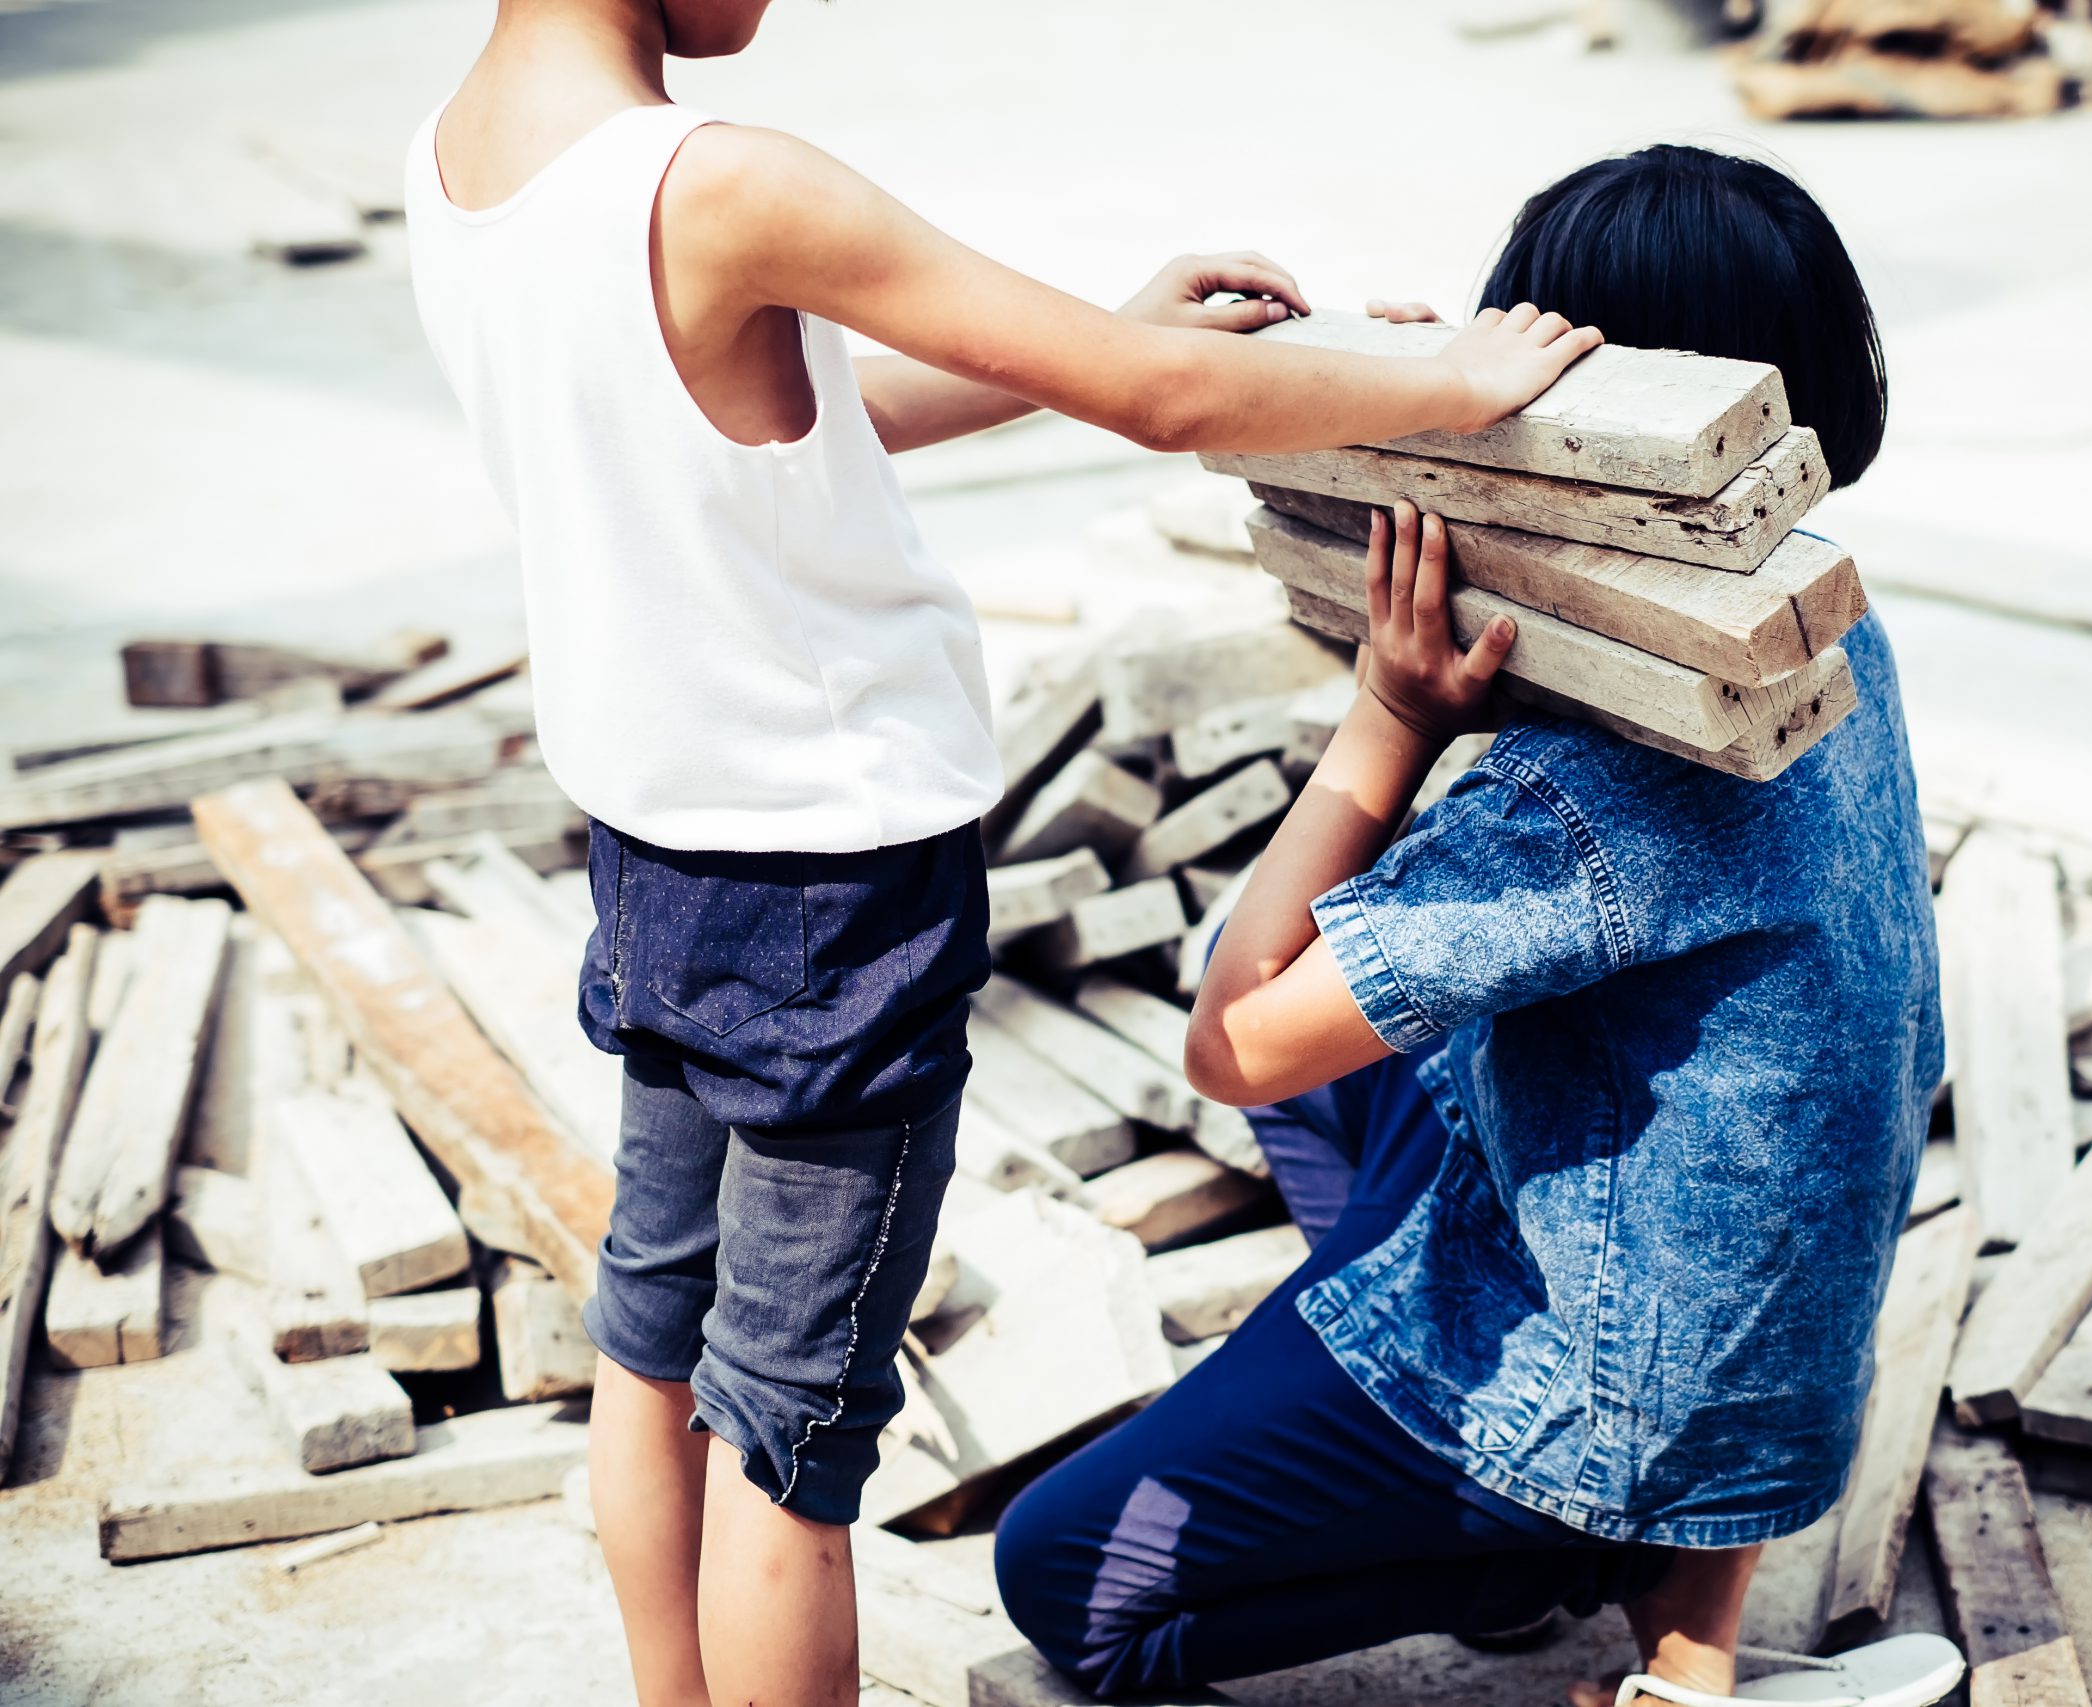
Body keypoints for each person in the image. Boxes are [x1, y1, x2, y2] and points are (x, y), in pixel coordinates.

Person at [402, 4, 1603, 1704]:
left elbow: (782, 422)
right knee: (790, 1442)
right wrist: (1439, 379)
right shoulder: (723, 183)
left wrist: (1093, 332)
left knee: (651, 1341)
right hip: (834, 890)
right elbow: (1168, 399)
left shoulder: (458, 161)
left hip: (657, 854)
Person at [992, 146, 1958, 1707]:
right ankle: (1550, 1540)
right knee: (1352, 1034)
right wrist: (1429, 452)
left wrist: (1388, 714)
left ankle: (1530, 1545)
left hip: (1603, 1389)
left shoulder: (1595, 796)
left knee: (1069, 1580)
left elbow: (1233, 1042)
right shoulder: (1812, 624)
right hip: (1745, 1362)